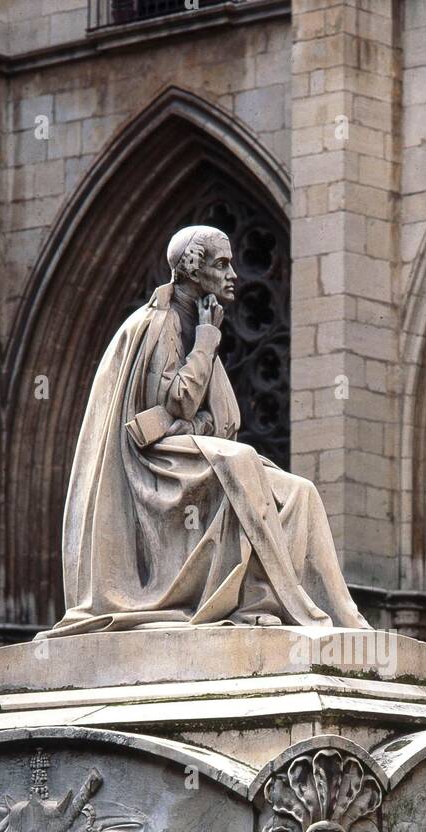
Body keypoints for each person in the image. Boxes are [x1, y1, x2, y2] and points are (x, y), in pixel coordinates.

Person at [40, 224, 368, 637]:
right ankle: (248, 601)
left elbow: (222, 420)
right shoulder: (160, 325)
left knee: (300, 492)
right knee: (241, 462)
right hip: (150, 464)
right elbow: (177, 400)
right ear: (194, 271)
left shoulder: (192, 319)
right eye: (222, 264)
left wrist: (197, 413)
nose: (234, 274)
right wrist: (207, 342)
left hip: (181, 453)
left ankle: (326, 613)